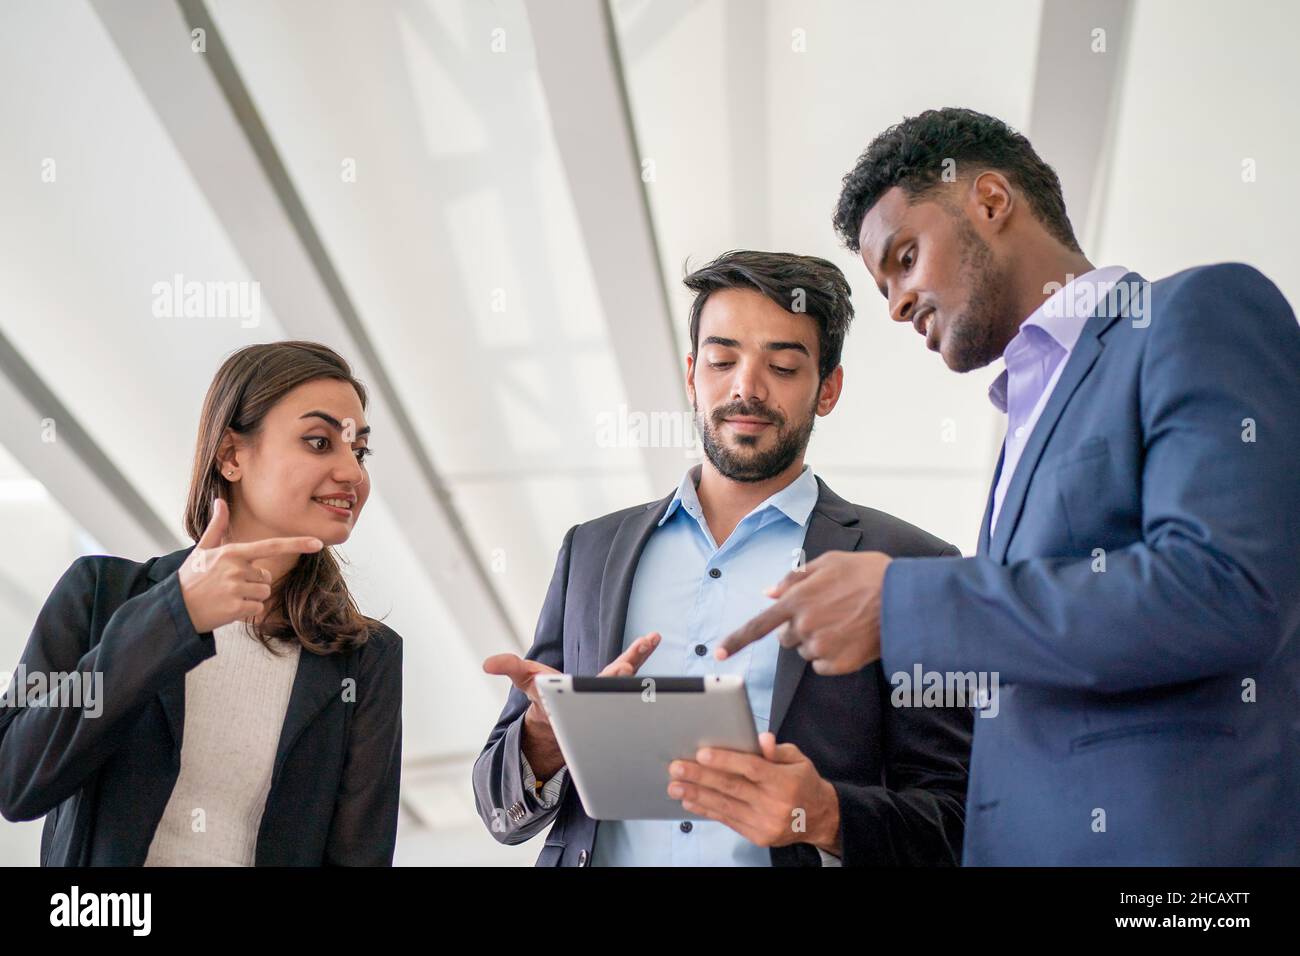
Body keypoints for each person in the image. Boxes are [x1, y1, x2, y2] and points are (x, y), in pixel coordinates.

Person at [720, 107, 1300, 864]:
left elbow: (1229, 588)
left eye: (903, 256)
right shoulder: (1023, 415)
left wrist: (902, 602)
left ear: (990, 201)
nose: (894, 304)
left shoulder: (1192, 316)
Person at [474, 250, 971, 866]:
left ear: (829, 389)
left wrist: (825, 814)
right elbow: (499, 813)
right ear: (691, 376)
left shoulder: (908, 565)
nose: (746, 388)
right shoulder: (591, 553)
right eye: (722, 360)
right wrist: (543, 738)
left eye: (784, 366)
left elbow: (957, 820)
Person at [0, 341, 403, 865]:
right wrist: (174, 617)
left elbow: (358, 860)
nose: (353, 472)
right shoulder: (98, 595)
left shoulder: (366, 658)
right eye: (319, 442)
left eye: (360, 451)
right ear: (232, 456)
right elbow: (16, 780)